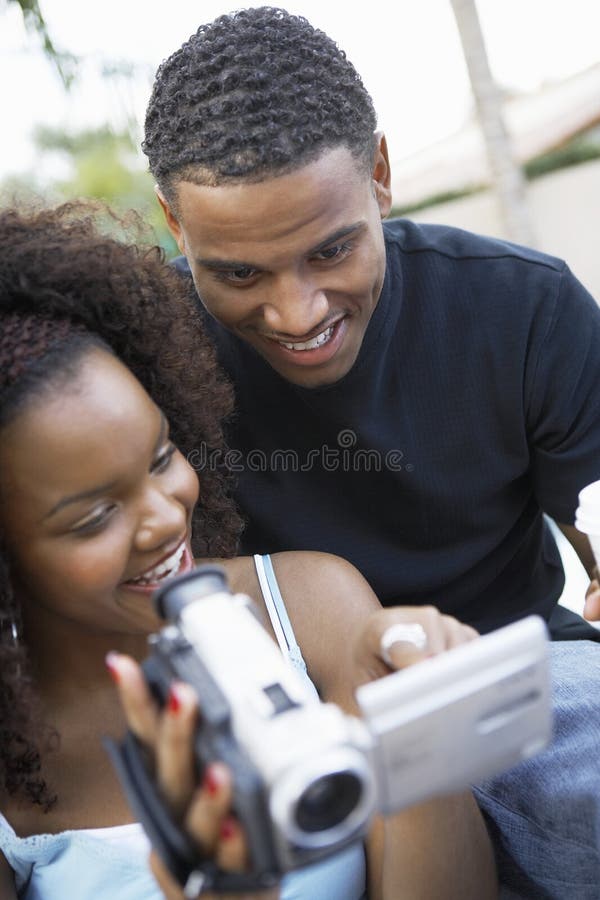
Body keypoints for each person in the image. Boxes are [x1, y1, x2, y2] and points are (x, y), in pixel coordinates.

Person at [0, 203, 496, 899]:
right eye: (94, 516)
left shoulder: (312, 607)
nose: (164, 518)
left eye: (162, 456)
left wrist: (417, 734)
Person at [143, 6, 600, 642]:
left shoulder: (528, 311)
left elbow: (595, 523)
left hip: (520, 663)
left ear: (380, 177)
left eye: (331, 252)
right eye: (241, 275)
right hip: (278, 708)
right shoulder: (139, 356)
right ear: (175, 224)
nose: (297, 314)